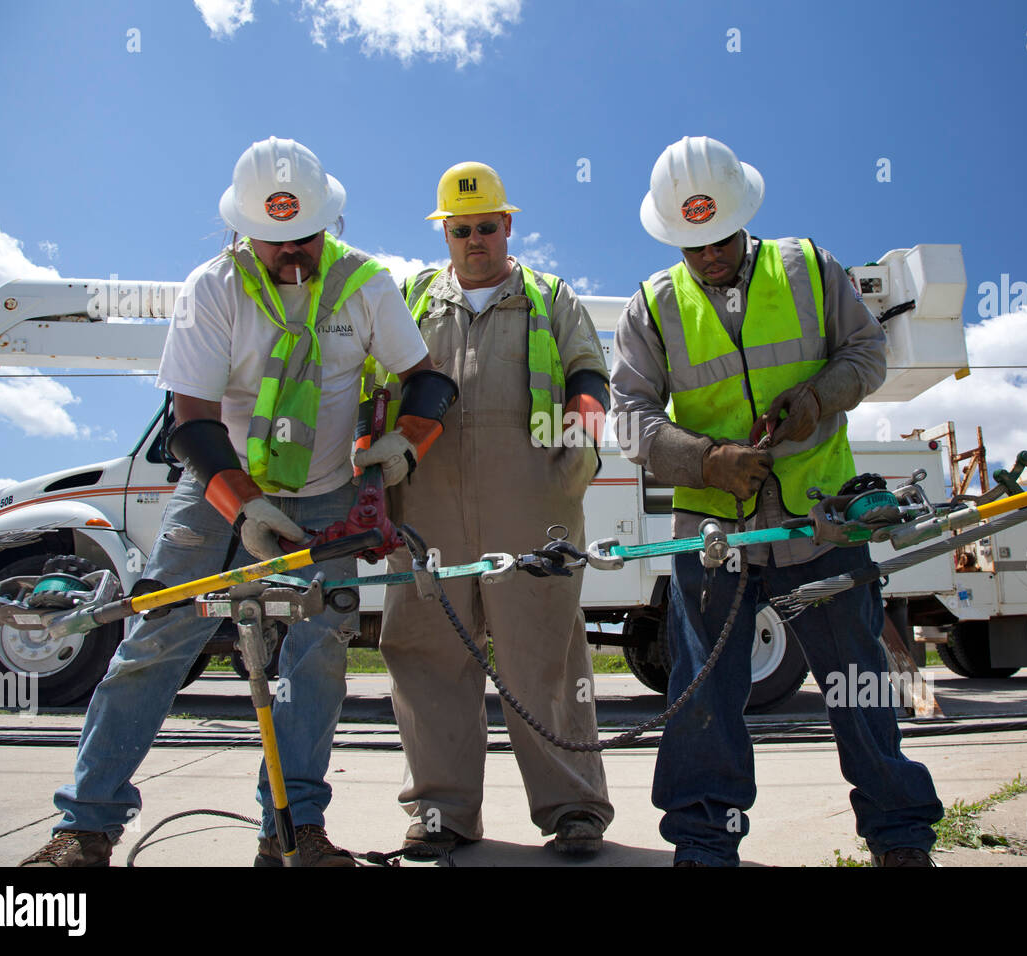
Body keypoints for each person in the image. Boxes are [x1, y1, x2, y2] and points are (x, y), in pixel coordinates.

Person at [21, 136, 454, 867]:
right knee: (157, 642)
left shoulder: (367, 285)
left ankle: (294, 833)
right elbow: (190, 419)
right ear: (243, 229)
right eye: (274, 240)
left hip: (329, 498)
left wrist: (407, 444)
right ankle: (85, 826)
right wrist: (243, 508)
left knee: (315, 663)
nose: (291, 254)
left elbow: (429, 382)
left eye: (304, 238)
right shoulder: (213, 287)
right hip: (218, 495)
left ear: (330, 223)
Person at [611, 136, 943, 867]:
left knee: (857, 687)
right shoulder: (654, 304)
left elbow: (866, 353)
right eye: (692, 246)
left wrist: (817, 399)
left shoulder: (807, 268)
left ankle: (899, 839)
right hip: (713, 537)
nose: (709, 256)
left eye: (719, 239)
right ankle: (704, 844)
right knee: (703, 703)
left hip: (820, 522)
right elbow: (629, 415)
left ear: (743, 216)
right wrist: (704, 460)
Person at [373, 161, 614, 857]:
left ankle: (573, 811)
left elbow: (587, 376)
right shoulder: (412, 295)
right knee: (427, 655)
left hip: (533, 496)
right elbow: (375, 385)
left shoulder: (548, 295)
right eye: (460, 229)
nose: (474, 240)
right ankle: (441, 811)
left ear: (508, 225)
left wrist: (582, 449)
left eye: (486, 227)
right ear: (444, 232)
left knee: (544, 658)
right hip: (427, 504)